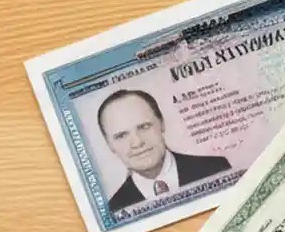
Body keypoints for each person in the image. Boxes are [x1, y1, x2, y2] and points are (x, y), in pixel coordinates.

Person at [95, 89, 230, 213]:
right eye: (121, 136)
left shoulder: (216, 167)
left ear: (162, 123)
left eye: (144, 127)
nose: (137, 142)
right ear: (109, 145)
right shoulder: (114, 209)